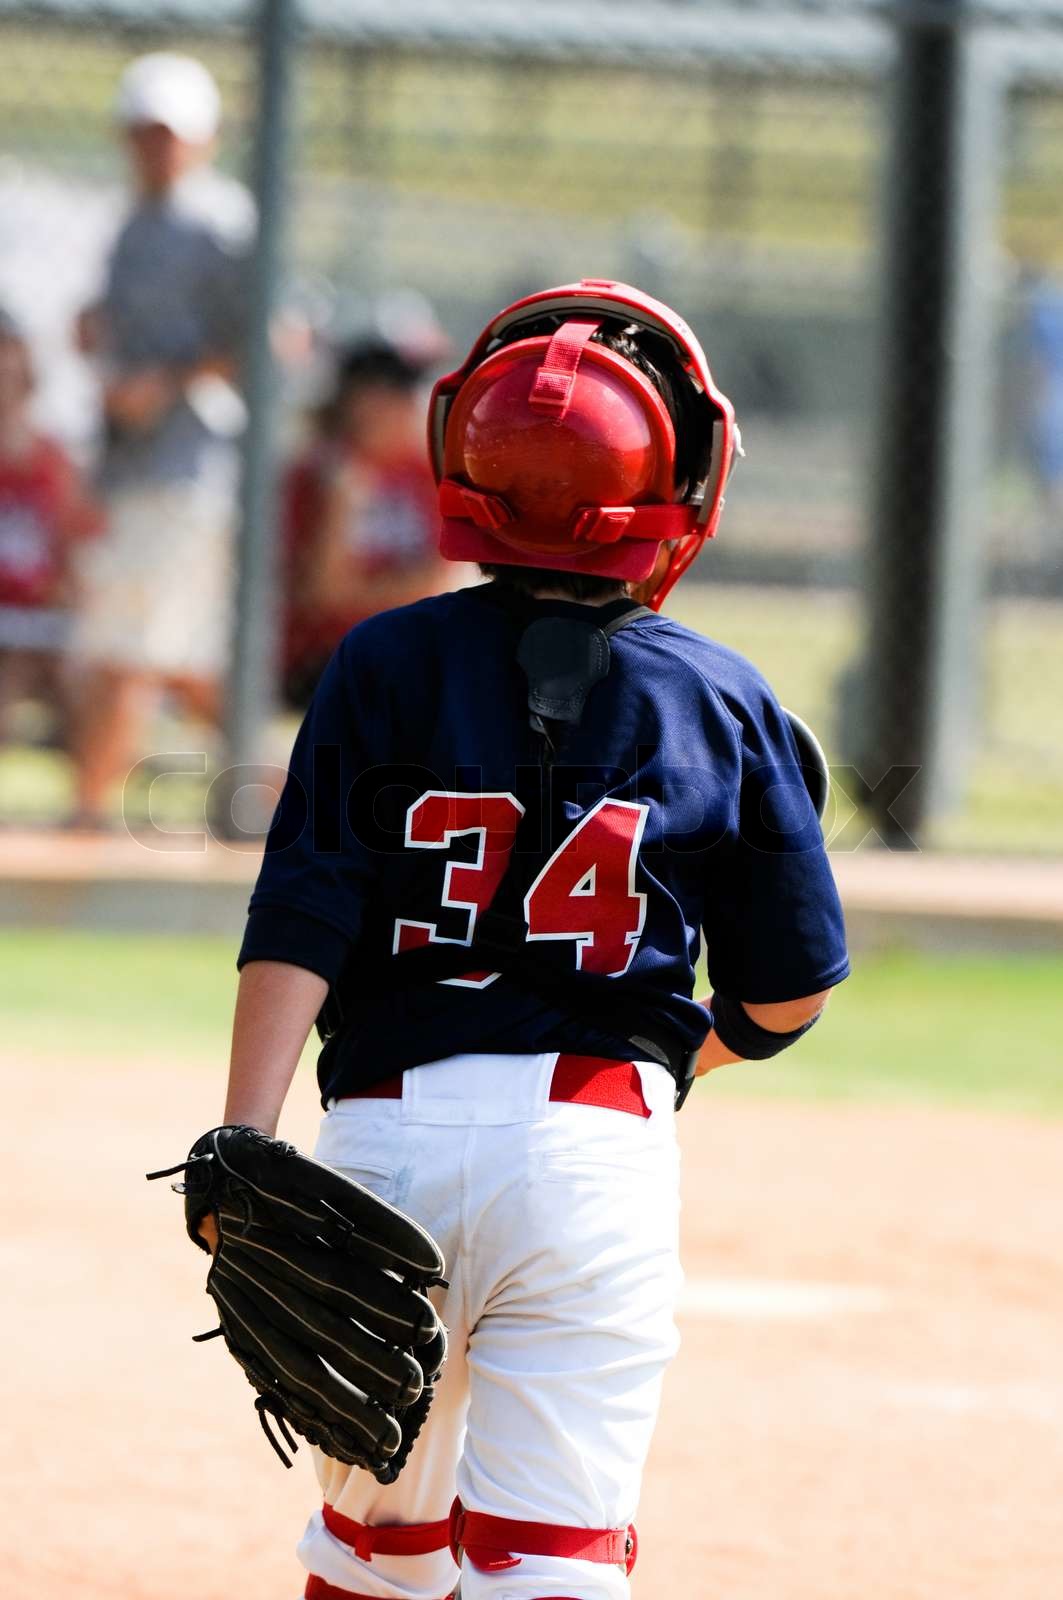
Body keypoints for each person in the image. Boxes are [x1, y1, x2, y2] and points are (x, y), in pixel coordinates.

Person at [218, 280, 849, 1599]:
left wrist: (241, 1140)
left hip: (380, 1143)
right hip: (587, 1149)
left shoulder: (380, 663)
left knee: (373, 1554)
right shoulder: (721, 695)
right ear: (677, 479)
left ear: (463, 469)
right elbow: (785, 991)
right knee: (552, 1562)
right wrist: (681, 1067)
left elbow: (300, 913)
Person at [70, 52, 254, 825]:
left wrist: (169, 383)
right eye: (145, 133)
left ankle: (85, 814)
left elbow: (261, 336)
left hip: (188, 464)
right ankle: (295, 791)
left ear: (205, 138)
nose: (157, 148)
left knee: (134, 649)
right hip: (130, 462)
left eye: (171, 134)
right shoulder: (135, 221)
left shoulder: (218, 220)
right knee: (170, 655)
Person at [281, 335, 451, 707]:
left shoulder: (431, 476)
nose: (409, 403)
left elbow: (441, 584)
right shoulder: (312, 477)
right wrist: (341, 507)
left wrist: (360, 591)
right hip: (322, 658)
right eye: (389, 392)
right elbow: (323, 593)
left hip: (410, 643)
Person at [0, 309, 99, 743]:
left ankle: (92, 786)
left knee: (69, 672)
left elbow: (74, 546)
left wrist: (70, 596)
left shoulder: (54, 459)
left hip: (39, 617)